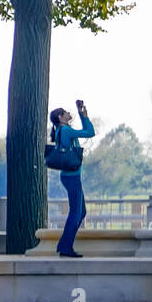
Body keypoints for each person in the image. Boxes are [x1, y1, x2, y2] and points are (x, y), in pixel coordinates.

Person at [49, 100, 95, 258]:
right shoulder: (66, 130)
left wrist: (80, 111)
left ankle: (64, 245)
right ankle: (65, 247)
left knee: (81, 212)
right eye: (66, 112)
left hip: (70, 176)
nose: (69, 114)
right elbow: (89, 132)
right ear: (61, 117)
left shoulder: (61, 130)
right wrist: (84, 116)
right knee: (76, 213)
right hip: (72, 177)